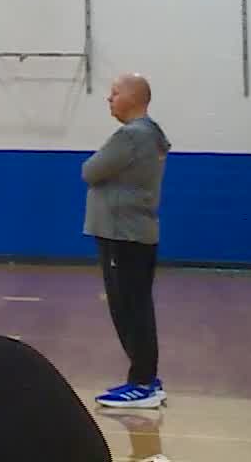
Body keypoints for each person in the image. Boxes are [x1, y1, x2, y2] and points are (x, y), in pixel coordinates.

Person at [85, 72, 172, 409]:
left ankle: (143, 382)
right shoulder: (150, 135)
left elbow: (91, 170)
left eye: (115, 93)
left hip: (124, 234)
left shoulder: (131, 136)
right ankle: (145, 378)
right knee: (134, 305)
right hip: (133, 234)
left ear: (134, 98)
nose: (109, 99)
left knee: (130, 308)